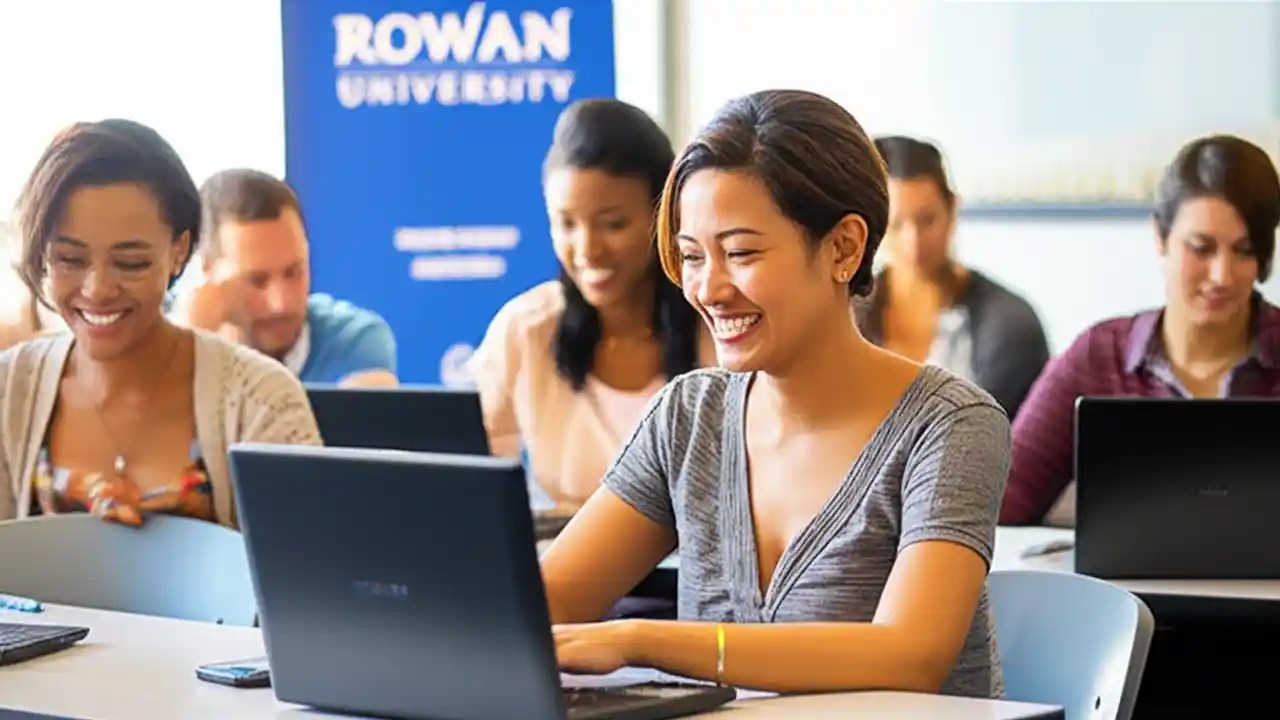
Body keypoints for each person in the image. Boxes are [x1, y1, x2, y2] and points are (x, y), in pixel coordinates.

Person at [541, 90, 1010, 697]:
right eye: (690, 257)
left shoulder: (950, 425)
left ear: (842, 248)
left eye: (740, 253)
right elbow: (540, 602)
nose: (709, 288)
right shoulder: (689, 418)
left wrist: (639, 640)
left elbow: (909, 653)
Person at [0, 119, 322, 528]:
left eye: (130, 263)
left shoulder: (261, 402)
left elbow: (308, 579)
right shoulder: (9, 393)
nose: (98, 289)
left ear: (179, 250)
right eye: (70, 260)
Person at [1001, 134, 1280, 525]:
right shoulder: (1098, 356)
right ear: (1160, 238)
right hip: (1125, 587)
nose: (1222, 275)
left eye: (1244, 251)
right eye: (1201, 248)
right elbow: (1001, 503)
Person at [468, 98, 711, 513]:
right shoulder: (526, 329)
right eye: (566, 224)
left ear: (665, 215)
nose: (587, 250)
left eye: (613, 223)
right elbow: (475, 482)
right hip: (571, 569)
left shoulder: (716, 322)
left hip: (698, 573)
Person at [855, 136, 1049, 418]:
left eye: (927, 220)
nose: (914, 242)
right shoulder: (848, 312)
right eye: (896, 225)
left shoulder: (1010, 323)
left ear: (952, 212)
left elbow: (1006, 442)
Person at [171, 169, 397, 387]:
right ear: (208, 275)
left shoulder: (351, 341)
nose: (282, 303)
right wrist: (193, 347)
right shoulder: (159, 344)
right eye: (257, 281)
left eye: (294, 272)